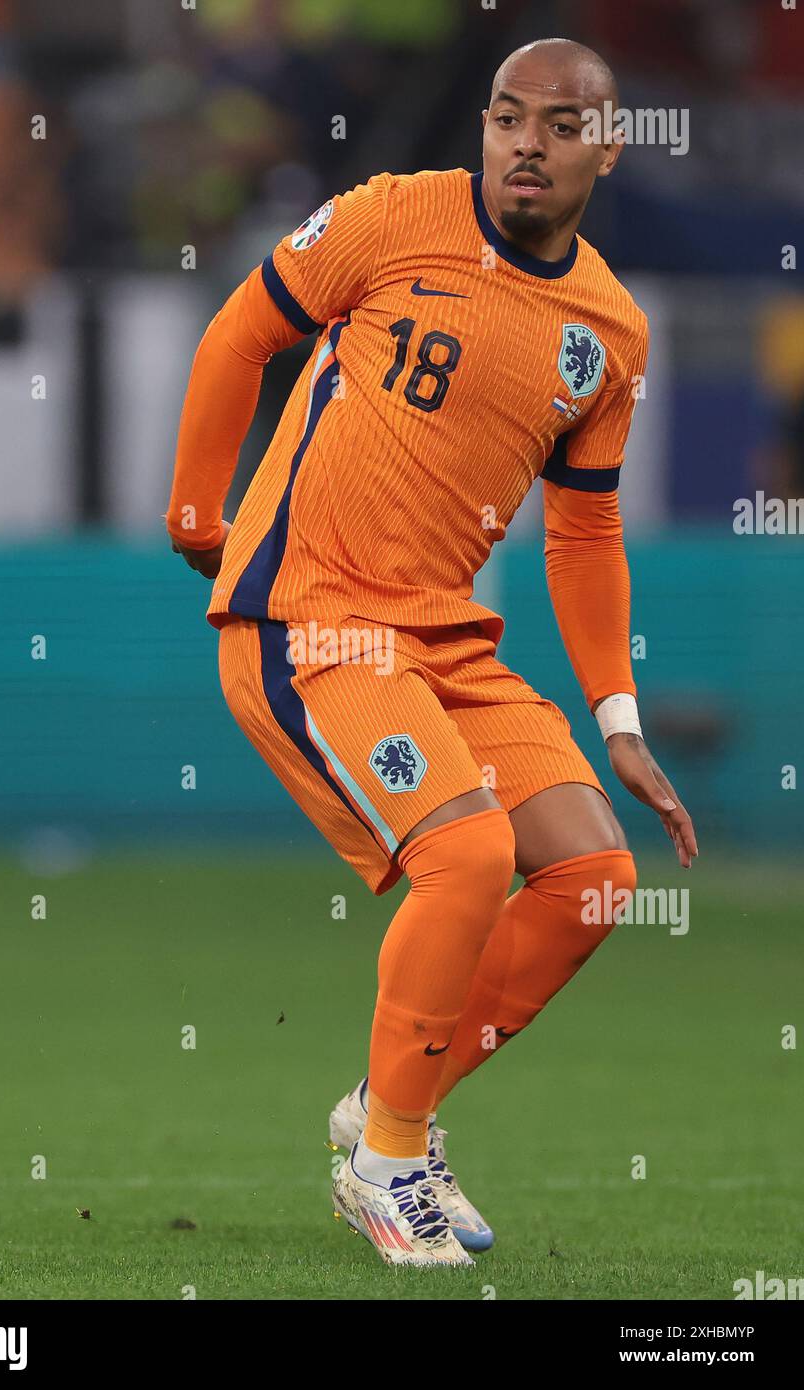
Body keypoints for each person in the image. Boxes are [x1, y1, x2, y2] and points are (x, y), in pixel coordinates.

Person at [167, 37, 697, 1267]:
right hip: (312, 621)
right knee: (465, 856)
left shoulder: (607, 332)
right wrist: (198, 513)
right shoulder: (390, 216)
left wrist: (617, 718)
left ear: (606, 149)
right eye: (508, 117)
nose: (527, 142)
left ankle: (388, 1116)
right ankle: (390, 1160)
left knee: (591, 877)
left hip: (442, 640)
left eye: (560, 125)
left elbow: (586, 530)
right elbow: (238, 336)